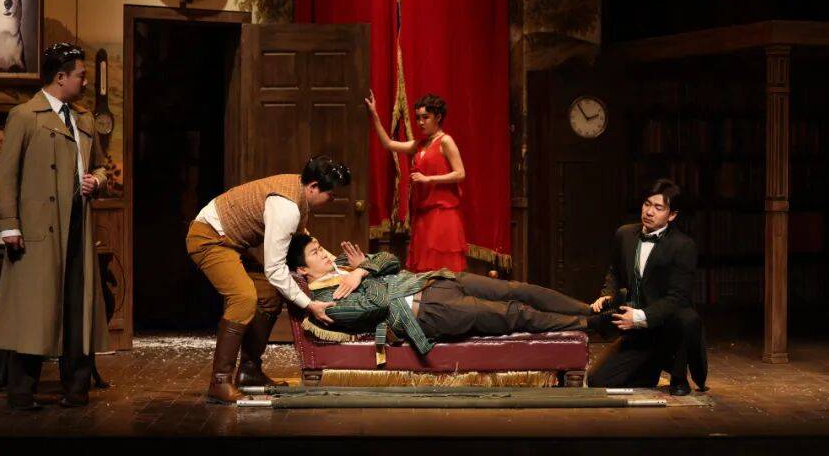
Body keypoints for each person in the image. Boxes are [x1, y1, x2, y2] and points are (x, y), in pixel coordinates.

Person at [0, 43, 110, 410]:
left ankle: (76, 389)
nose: (85, 82)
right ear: (60, 77)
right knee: (33, 309)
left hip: (77, 225)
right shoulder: (25, 116)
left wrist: (97, 180)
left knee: (77, 307)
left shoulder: (85, 120)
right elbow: (6, 175)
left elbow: (102, 166)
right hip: (38, 230)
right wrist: (9, 225)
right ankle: (21, 392)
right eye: (80, 75)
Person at [186, 157, 350, 403]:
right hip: (209, 238)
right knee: (243, 297)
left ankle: (250, 371)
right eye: (331, 194)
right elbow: (275, 269)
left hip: (231, 243)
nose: (333, 200)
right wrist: (309, 304)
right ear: (314, 186)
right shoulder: (287, 207)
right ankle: (220, 381)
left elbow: (305, 240)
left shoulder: (299, 195)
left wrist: (341, 267)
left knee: (270, 295)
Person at [286, 233, 605, 357]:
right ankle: (588, 325)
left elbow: (391, 260)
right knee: (512, 312)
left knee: (517, 289)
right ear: (302, 270)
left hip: (434, 281)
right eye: (315, 253)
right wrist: (367, 271)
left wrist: (362, 270)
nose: (324, 254)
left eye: (320, 247)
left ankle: (587, 308)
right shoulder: (325, 301)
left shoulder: (344, 265)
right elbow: (378, 304)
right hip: (426, 313)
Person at [587, 179, 707, 396]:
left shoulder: (683, 245)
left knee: (687, 318)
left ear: (672, 215)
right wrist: (607, 294)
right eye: (647, 204)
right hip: (638, 329)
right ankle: (650, 366)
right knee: (598, 380)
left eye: (658, 208)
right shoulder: (625, 234)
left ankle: (678, 375)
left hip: (667, 325)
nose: (649, 212)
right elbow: (614, 271)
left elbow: (677, 298)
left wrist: (640, 317)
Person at [365, 91, 467, 272]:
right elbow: (388, 144)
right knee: (423, 267)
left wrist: (429, 179)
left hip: (442, 211)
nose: (420, 122)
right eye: (418, 118)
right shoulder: (419, 145)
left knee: (440, 265)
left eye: (425, 117)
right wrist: (374, 115)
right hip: (423, 214)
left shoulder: (445, 141)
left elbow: (460, 173)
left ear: (438, 117)